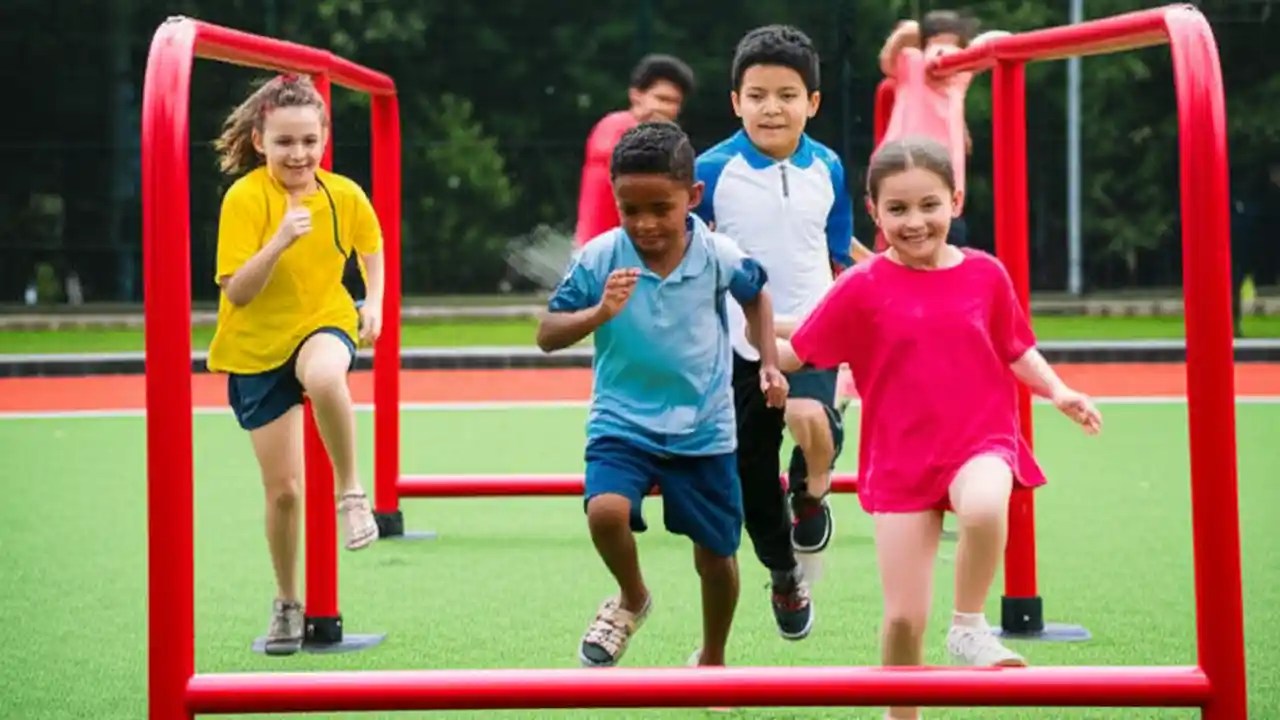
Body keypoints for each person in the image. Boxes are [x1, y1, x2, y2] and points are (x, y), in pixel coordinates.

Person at [775, 136, 1102, 720]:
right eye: (897, 210)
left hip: (980, 439)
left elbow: (1017, 348)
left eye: (929, 205)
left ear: (955, 200)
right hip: (901, 457)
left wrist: (1058, 390)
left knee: (983, 507)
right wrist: (734, 329)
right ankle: (901, 715)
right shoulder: (862, 287)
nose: (915, 221)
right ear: (873, 213)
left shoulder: (984, 275)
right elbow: (798, 351)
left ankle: (969, 625)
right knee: (903, 618)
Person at [538, 121, 788, 669]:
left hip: (704, 426)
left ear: (692, 198)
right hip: (622, 422)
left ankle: (713, 658)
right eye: (631, 209)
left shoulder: (718, 255)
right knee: (605, 512)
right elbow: (547, 334)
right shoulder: (602, 257)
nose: (645, 223)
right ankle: (632, 596)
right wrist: (599, 313)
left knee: (717, 555)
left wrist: (768, 362)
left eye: (661, 207)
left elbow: (757, 296)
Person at [693, 24, 870, 642]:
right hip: (740, 344)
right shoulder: (711, 171)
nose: (773, 107)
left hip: (815, 329)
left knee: (811, 421)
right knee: (750, 471)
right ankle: (784, 573)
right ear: (736, 100)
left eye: (788, 94)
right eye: (758, 94)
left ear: (812, 103)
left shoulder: (828, 167)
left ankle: (815, 492)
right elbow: (692, 256)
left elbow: (836, 249)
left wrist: (876, 284)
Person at [208, 73, 384, 656]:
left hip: (322, 322)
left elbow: (371, 244)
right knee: (282, 491)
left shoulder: (344, 194)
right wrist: (280, 238)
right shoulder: (246, 199)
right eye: (285, 142)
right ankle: (287, 600)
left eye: (309, 140)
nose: (299, 154)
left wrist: (374, 301)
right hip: (256, 347)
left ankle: (353, 492)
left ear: (324, 138)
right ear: (260, 141)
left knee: (326, 374)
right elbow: (238, 293)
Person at [875, 10, 1009, 249]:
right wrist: (907, 32)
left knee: (950, 249)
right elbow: (889, 58)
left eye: (952, 49)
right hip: (902, 181)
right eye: (936, 46)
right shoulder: (912, 66)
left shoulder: (961, 76)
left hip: (943, 193)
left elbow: (993, 42)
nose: (943, 55)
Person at [574, 54, 697, 245]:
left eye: (675, 102)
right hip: (605, 254)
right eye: (661, 99)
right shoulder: (616, 128)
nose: (667, 109)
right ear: (636, 95)